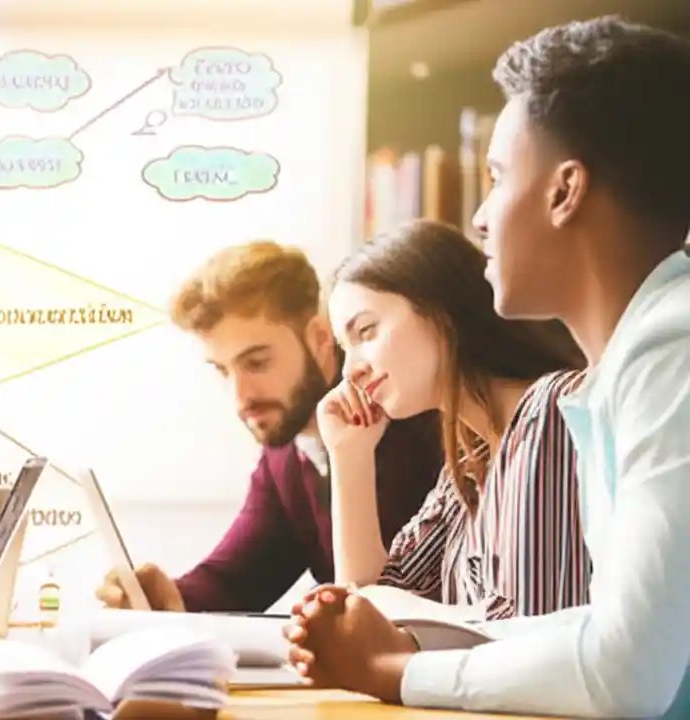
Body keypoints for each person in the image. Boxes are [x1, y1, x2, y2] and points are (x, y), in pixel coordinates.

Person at [285, 16, 690, 718]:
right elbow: (596, 629)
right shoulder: (624, 372)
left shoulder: (669, 351)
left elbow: (625, 674)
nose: (477, 218)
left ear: (565, 192)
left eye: (498, 177)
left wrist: (394, 671)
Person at [96, 240, 443, 613]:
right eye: (223, 370)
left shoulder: (418, 421)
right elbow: (236, 580)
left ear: (321, 339)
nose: (240, 397)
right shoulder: (286, 456)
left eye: (257, 363)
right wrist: (164, 600)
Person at [319, 219, 588, 620]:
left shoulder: (551, 411)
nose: (350, 372)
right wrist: (349, 457)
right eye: (345, 348)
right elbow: (366, 609)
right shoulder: (467, 466)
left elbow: (524, 630)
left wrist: (386, 604)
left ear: (441, 309)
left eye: (367, 331)